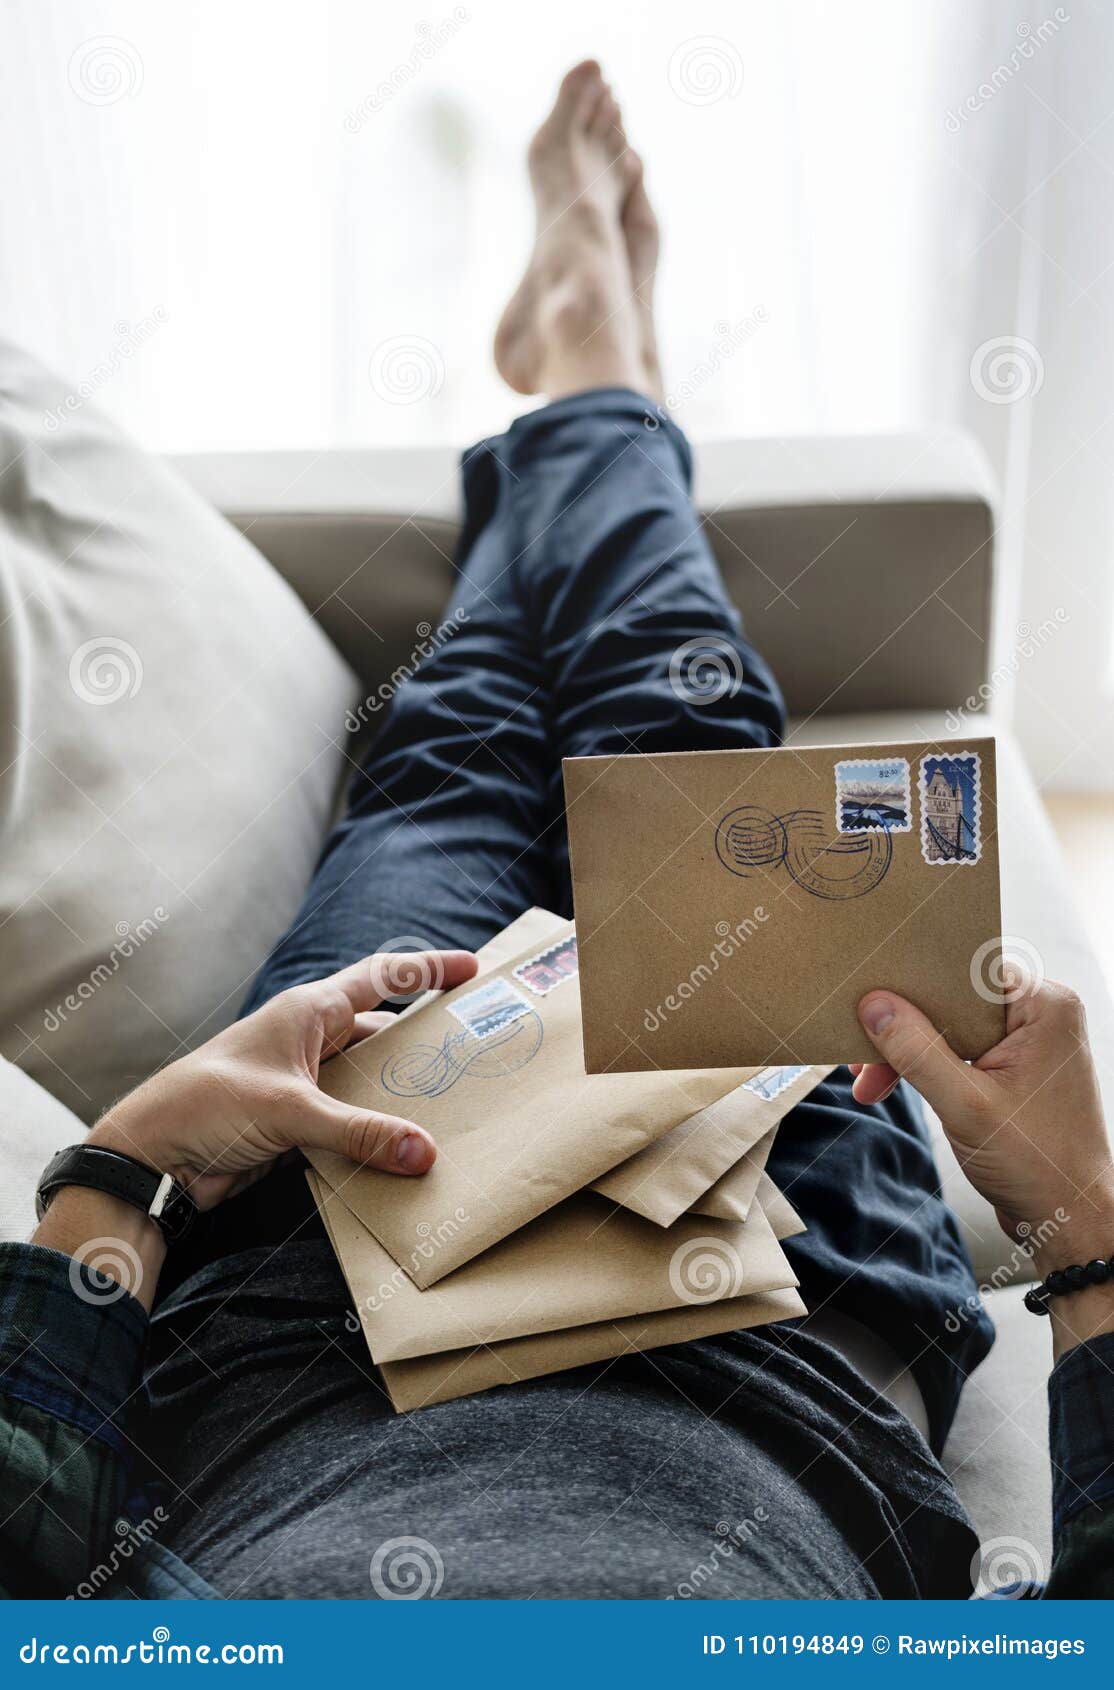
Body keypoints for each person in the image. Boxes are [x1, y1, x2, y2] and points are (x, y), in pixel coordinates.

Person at [2, 61, 1112, 1602]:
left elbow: (26, 1556)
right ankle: (595, 360)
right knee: (677, 722)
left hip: (315, 1260)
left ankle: (589, 363)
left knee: (450, 758)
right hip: (783, 1285)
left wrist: (119, 1165)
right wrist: (1082, 1234)